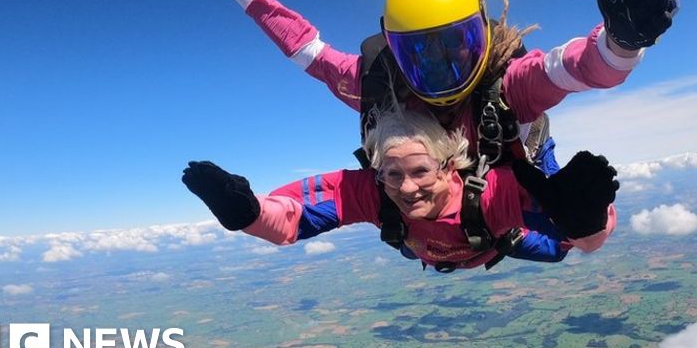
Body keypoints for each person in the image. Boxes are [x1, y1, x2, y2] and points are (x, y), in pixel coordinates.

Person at [186, 0, 678, 174]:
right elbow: (303, 46)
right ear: (396, 51)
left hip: (512, 184)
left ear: (483, 34)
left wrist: (621, 42)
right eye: (422, 53)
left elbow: (582, 67)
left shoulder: (509, 86)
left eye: (455, 44)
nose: (442, 66)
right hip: (441, 220)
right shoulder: (379, 85)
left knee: (573, 228)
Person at [182, 106, 620, 272]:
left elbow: (580, 242)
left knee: (557, 249)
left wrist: (588, 220)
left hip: (495, 238)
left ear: (450, 166)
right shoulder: (371, 191)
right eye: (392, 174)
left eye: (421, 172)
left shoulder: (494, 192)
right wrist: (247, 213)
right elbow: (293, 220)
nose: (406, 188)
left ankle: (538, 150)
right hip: (423, 247)